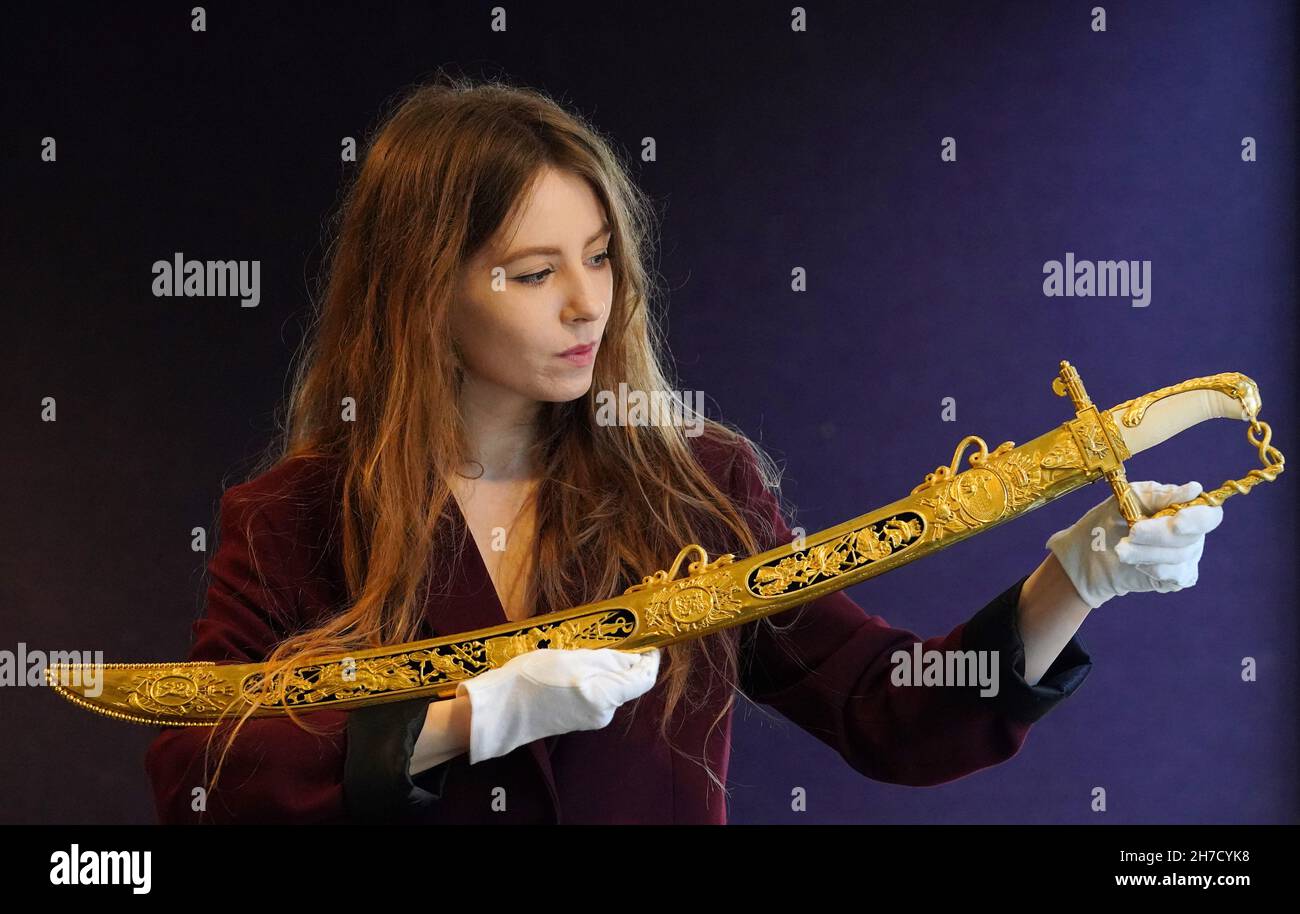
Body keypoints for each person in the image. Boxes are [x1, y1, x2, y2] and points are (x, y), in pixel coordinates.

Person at [143, 75, 1223, 825]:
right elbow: (200, 776)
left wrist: (1070, 580)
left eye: (601, 257)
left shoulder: (696, 488)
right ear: (421, 288)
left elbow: (891, 713)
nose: (586, 304)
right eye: (531, 271)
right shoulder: (291, 517)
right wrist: (466, 717)